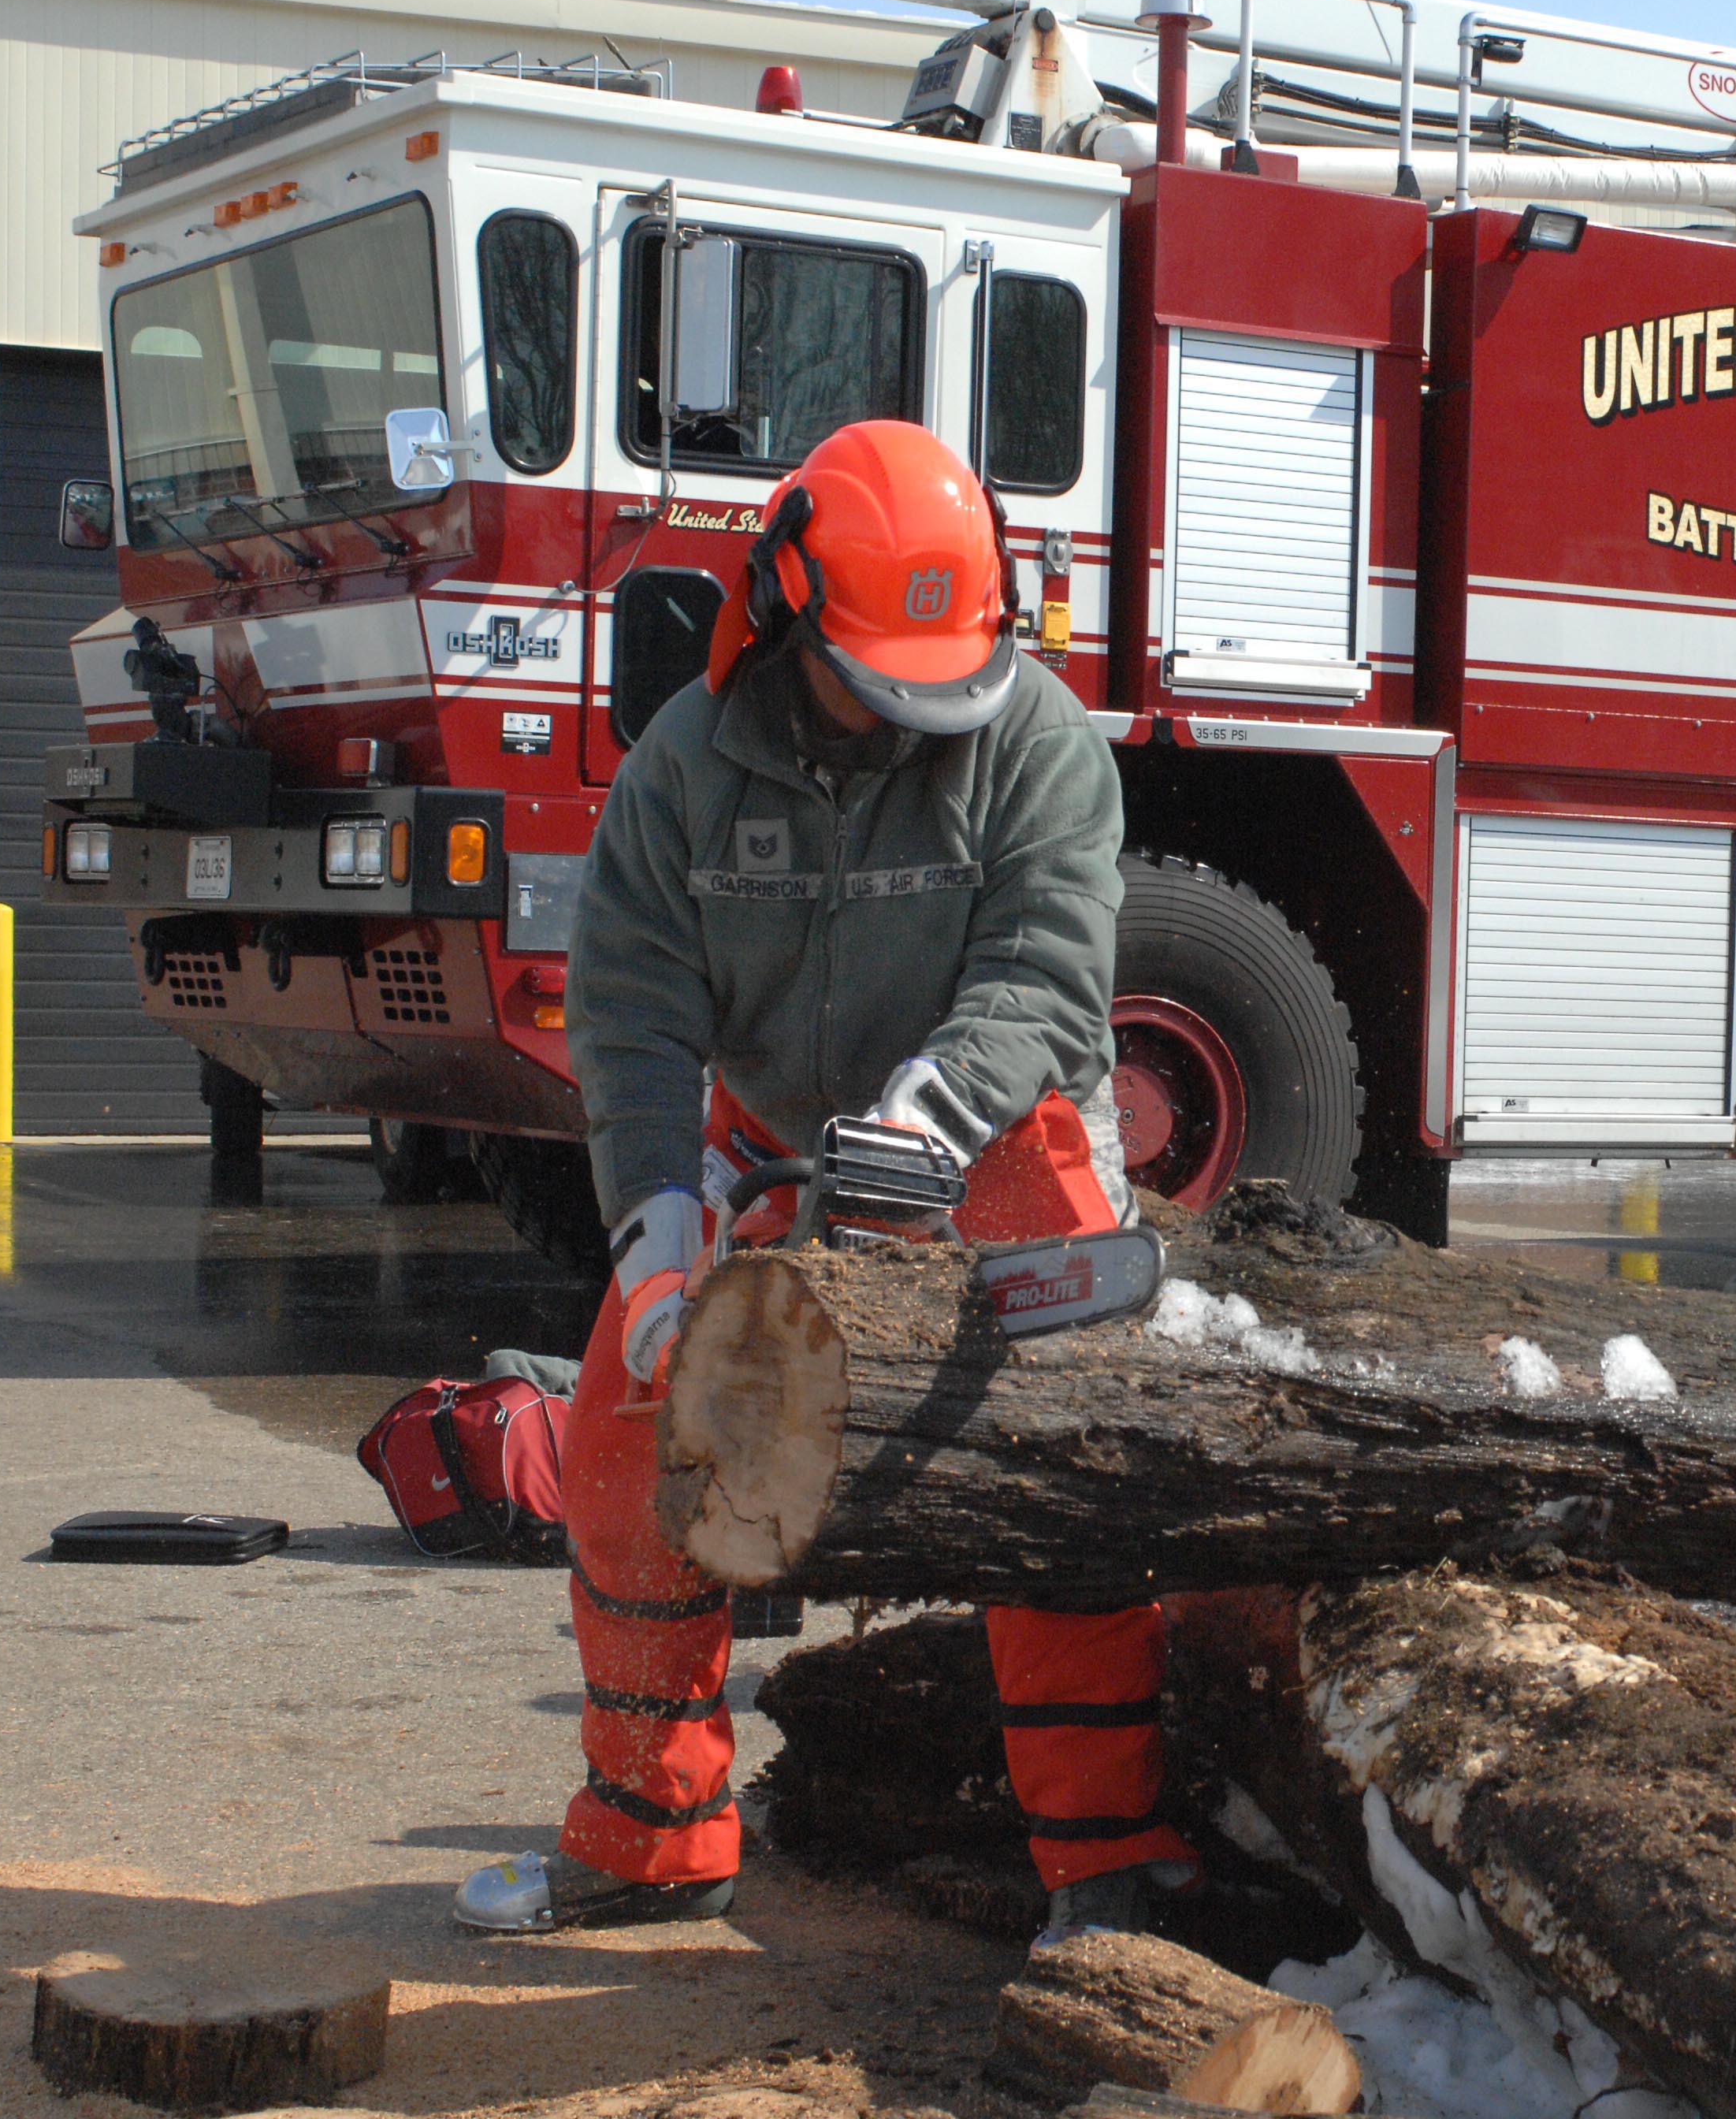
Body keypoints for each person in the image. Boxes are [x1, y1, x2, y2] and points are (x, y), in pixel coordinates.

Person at [453, 420, 1199, 1942]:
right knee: (616, 1450)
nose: (912, 713)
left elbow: (1050, 975)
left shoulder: (1038, 741)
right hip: (769, 1128)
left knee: (1061, 1481)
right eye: (880, 676)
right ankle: (657, 1835)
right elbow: (634, 1009)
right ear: (789, 608)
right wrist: (658, 1227)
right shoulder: (686, 770)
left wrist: (936, 1108)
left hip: (1003, 1128)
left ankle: (1107, 1864)